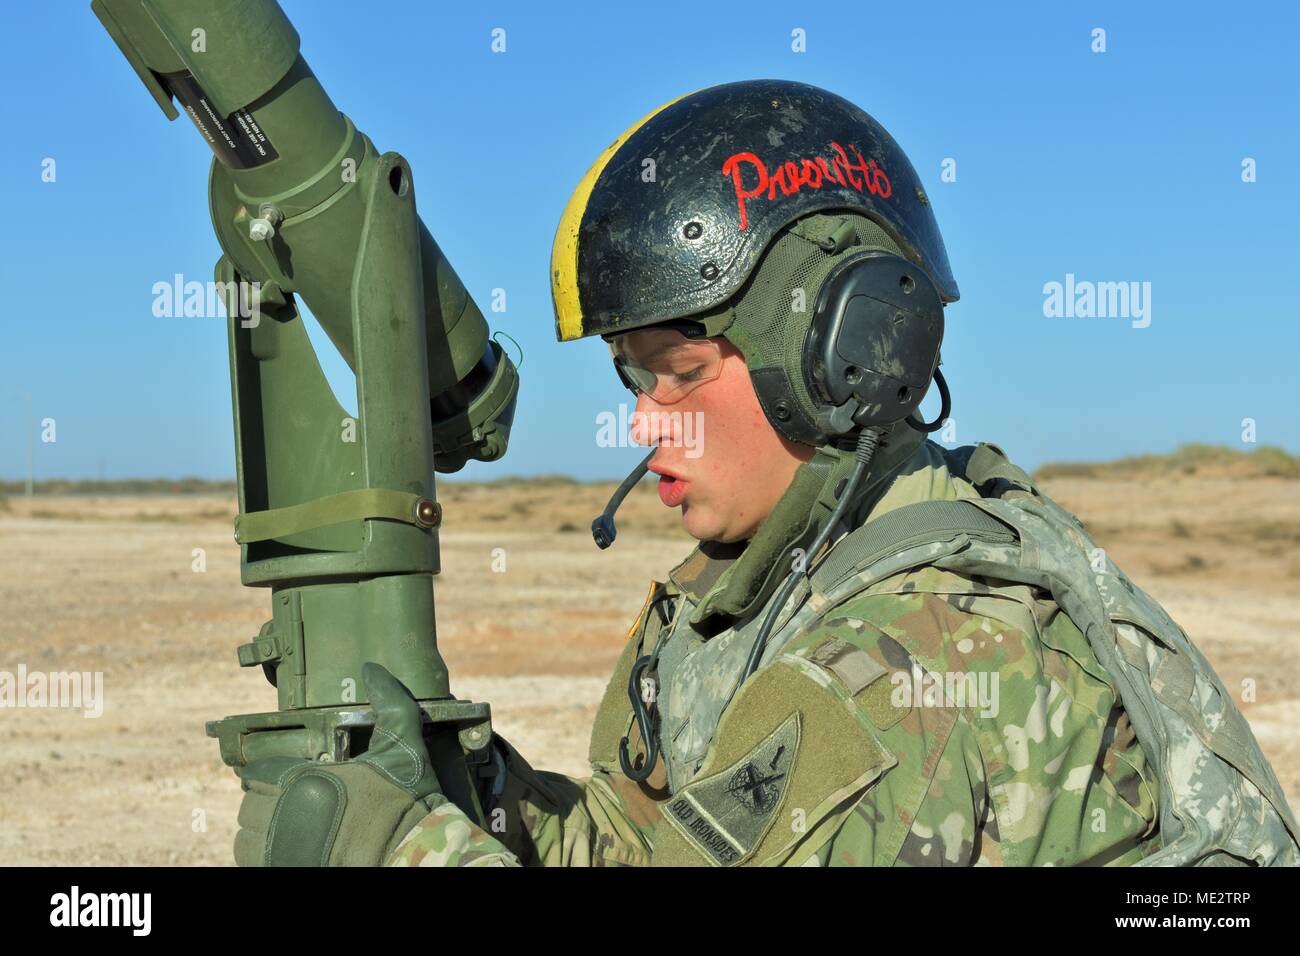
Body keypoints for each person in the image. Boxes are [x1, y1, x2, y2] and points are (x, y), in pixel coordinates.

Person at [234, 79, 1299, 867]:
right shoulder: (759, 587)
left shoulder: (920, 661)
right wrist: (485, 795)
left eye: (680, 374)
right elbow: (659, 843)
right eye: (633, 380)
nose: (647, 423)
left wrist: (400, 850)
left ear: (842, 354)